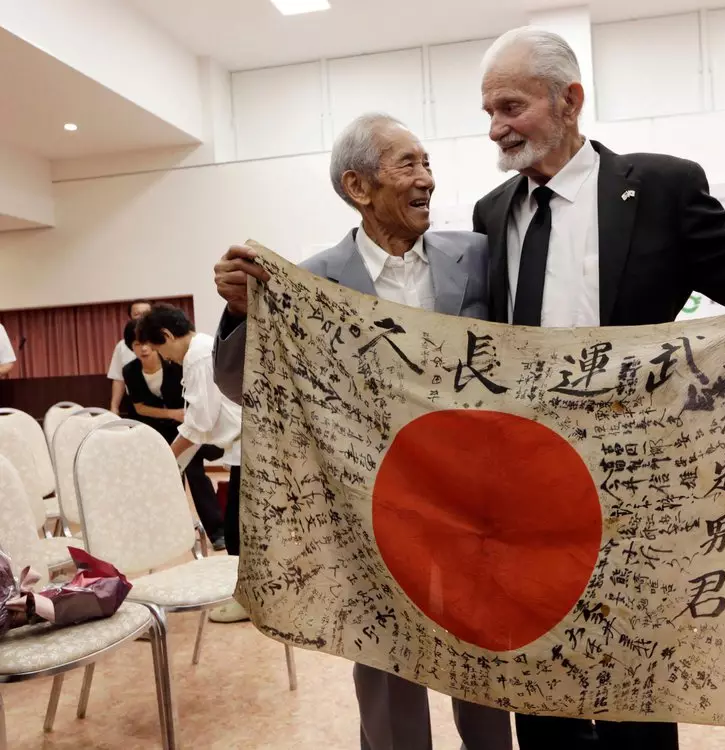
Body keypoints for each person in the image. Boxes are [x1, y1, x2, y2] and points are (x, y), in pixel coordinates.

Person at [473, 27, 725, 750]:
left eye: (511, 106)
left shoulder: (660, 186)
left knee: (634, 685)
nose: (497, 127)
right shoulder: (492, 211)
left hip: (635, 492)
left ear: (569, 100)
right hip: (527, 493)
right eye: (488, 112)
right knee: (538, 679)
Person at [211, 113, 513, 750]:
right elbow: (243, 385)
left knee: (485, 663)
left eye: (428, 163)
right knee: (388, 665)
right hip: (373, 506)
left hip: (475, 501)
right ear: (358, 186)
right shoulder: (311, 279)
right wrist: (239, 310)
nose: (427, 178)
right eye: (408, 164)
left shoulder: (482, 255)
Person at [135, 305, 244, 621]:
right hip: (243, 444)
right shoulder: (206, 346)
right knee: (239, 529)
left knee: (238, 533)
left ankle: (246, 601)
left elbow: (199, 423)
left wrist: (166, 461)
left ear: (167, 335)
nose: (165, 358)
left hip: (246, 445)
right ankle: (248, 598)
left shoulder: (197, 357)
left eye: (160, 349)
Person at [121, 320, 227, 551]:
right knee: (166, 482)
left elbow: (197, 409)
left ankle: (217, 531)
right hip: (155, 431)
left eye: (147, 344)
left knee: (196, 474)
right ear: (131, 347)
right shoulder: (130, 370)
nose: (144, 349)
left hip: (186, 430)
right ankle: (170, 534)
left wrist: (184, 421)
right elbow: (139, 407)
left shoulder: (179, 361)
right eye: (137, 344)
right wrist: (171, 414)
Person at [108, 300, 152, 415]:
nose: (142, 318)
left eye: (146, 313)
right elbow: (118, 379)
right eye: (137, 314)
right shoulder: (122, 346)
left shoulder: (162, 340)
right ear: (130, 317)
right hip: (135, 401)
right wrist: (114, 407)